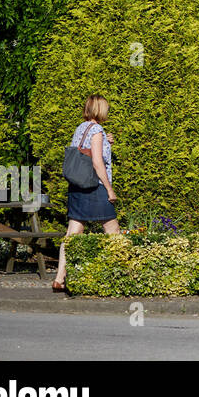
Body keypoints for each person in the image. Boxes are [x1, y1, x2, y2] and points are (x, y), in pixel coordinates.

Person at [52, 94, 119, 292]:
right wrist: (109, 189)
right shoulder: (97, 130)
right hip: (94, 186)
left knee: (72, 232)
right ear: (100, 109)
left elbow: (85, 152)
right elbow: (97, 162)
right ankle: (119, 273)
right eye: (106, 107)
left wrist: (108, 143)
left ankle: (59, 278)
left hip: (77, 186)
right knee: (112, 229)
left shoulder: (81, 128)